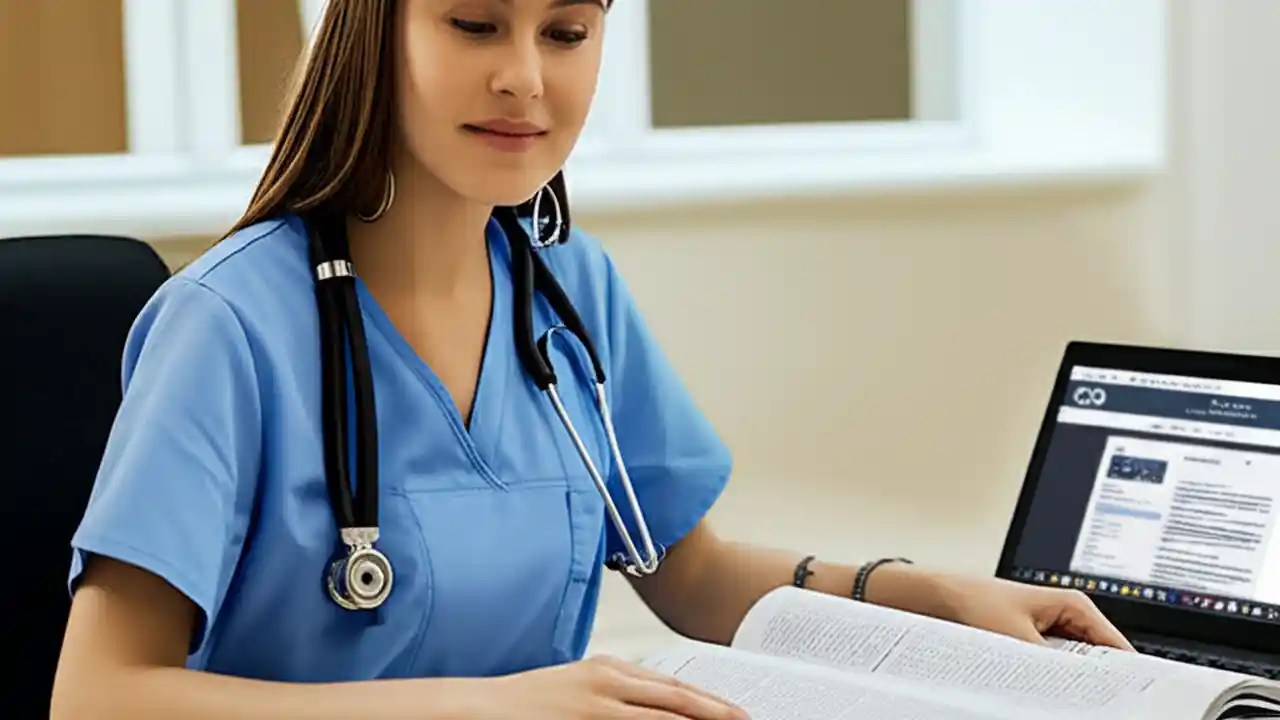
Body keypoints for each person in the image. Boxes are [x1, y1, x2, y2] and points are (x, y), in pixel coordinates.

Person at [50, 1, 1133, 718]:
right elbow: (99, 696)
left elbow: (688, 573)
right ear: (374, 32)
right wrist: (485, 708)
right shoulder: (227, 326)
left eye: (566, 31)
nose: (524, 78)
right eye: (475, 23)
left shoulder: (567, 289)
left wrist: (921, 592)